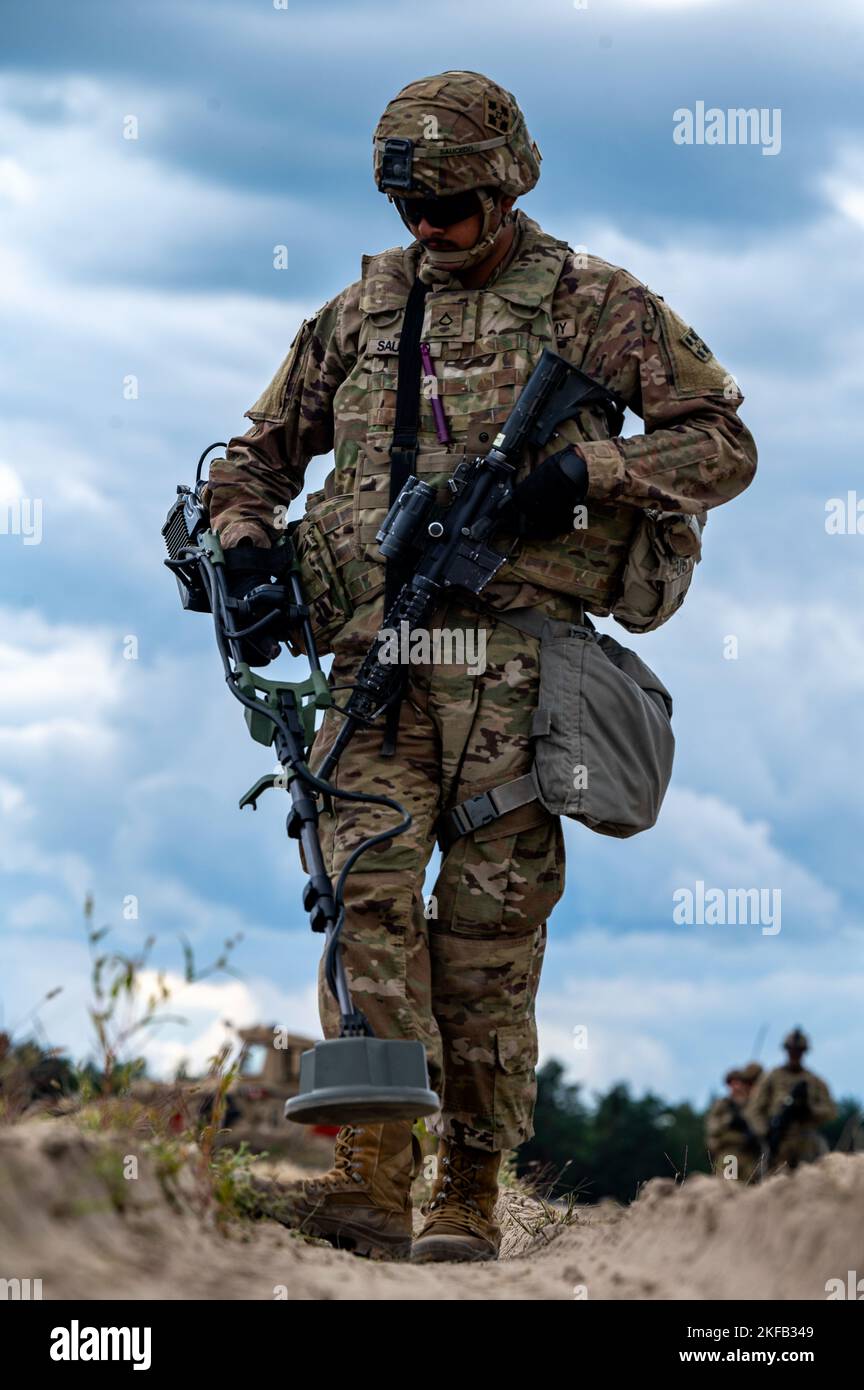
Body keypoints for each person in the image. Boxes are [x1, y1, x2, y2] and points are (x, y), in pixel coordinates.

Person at [205, 70, 757, 1262]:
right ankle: (372, 1174)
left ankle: (468, 1183)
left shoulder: (594, 304)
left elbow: (723, 442)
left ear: (505, 185)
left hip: (520, 681)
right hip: (378, 666)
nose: (427, 231)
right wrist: (246, 551)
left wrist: (586, 478)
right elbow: (251, 456)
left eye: (449, 208)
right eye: (409, 210)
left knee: (487, 945)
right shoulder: (360, 316)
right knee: (367, 905)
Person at [746, 1028, 836, 1172]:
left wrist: (809, 1109)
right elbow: (753, 1110)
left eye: (798, 1051)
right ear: (786, 1050)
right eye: (792, 1050)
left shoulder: (814, 1081)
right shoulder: (772, 1077)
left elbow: (830, 1111)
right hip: (779, 1140)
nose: (795, 1054)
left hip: (807, 1142)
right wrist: (766, 1131)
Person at [705, 1062, 763, 1182]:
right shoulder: (723, 1105)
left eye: (739, 1082)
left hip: (750, 1154)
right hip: (729, 1153)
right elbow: (713, 1128)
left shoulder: (752, 1105)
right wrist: (729, 1121)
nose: (736, 1086)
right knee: (727, 1187)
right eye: (732, 1083)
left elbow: (760, 1126)